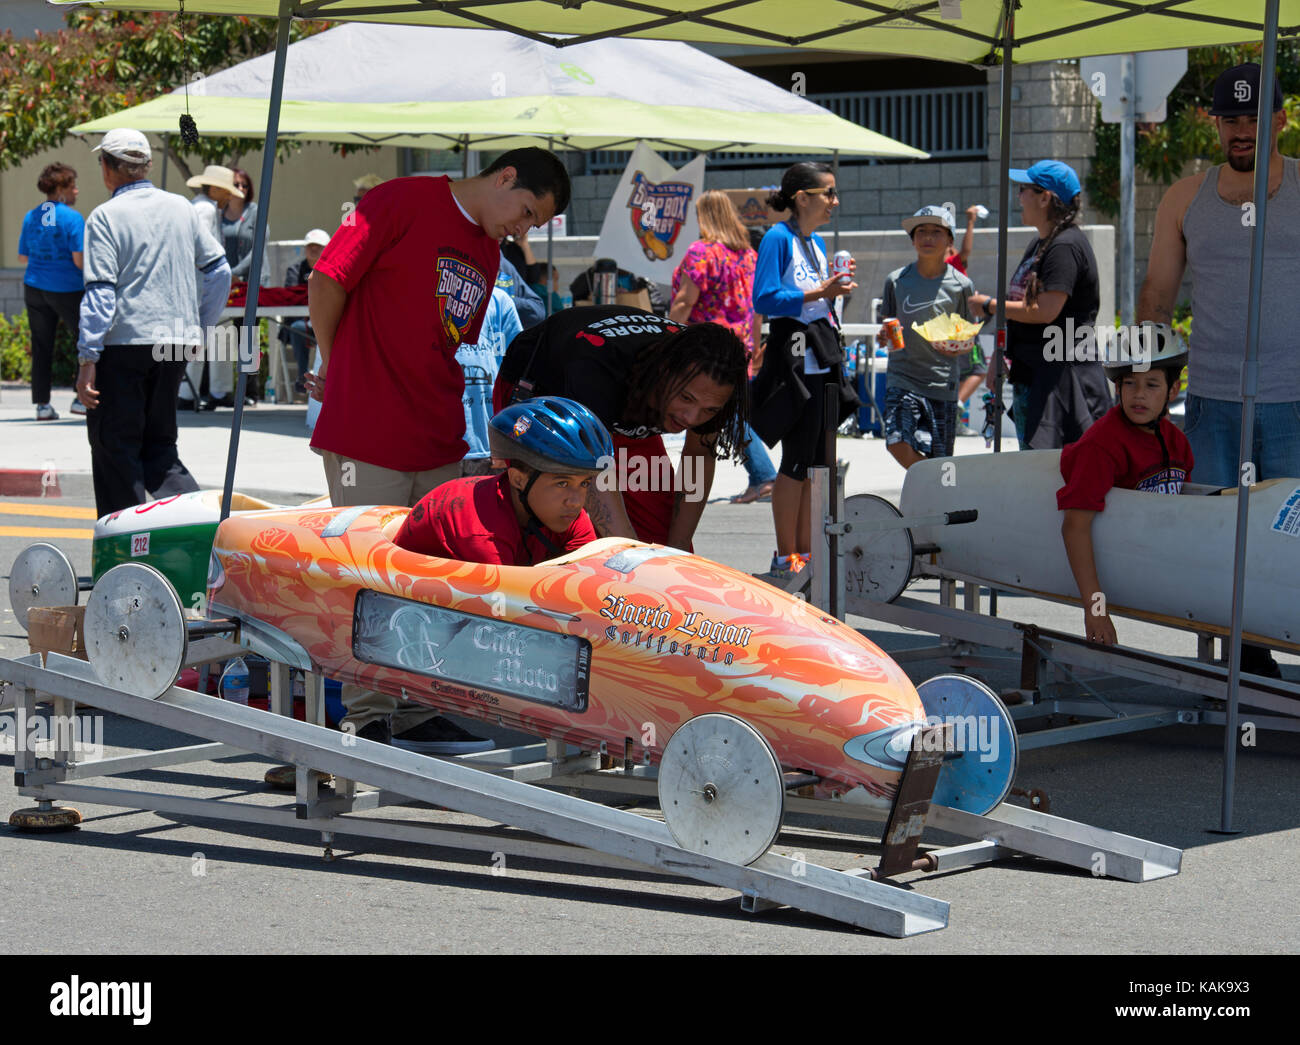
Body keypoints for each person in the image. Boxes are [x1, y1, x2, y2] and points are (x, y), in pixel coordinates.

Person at [306, 146, 570, 750]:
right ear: (504, 176)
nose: (522, 230)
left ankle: (417, 706)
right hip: (366, 431)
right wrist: (335, 359)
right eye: (526, 212)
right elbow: (327, 278)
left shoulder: (483, 245)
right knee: (369, 575)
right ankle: (369, 714)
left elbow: (445, 340)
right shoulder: (398, 199)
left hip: (440, 433)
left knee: (433, 581)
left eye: (534, 225)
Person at [1138, 61, 1300, 678]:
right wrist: (1148, 383)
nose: (1241, 130)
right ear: (1214, 125)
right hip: (1210, 398)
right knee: (1216, 532)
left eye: (1254, 118)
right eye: (1230, 118)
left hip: (1292, 399)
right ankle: (1248, 654)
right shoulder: (1186, 197)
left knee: (1289, 533)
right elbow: (1157, 294)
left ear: (1279, 120)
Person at [493, 305, 749, 550]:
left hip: (635, 406)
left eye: (709, 410)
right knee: (558, 518)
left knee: (658, 540)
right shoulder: (596, 373)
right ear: (663, 371)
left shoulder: (711, 374)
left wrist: (678, 548)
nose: (692, 418)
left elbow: (698, 455)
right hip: (546, 395)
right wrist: (631, 554)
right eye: (686, 398)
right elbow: (596, 471)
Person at [74, 128, 232, 517]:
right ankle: (194, 534)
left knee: (116, 448)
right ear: (143, 167)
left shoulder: (105, 217)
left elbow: (101, 293)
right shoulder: (182, 208)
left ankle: (123, 556)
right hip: (173, 341)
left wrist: (86, 358)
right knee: (160, 447)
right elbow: (220, 271)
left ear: (109, 168)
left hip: (123, 343)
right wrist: (199, 326)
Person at [750, 161, 859, 581]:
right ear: (802, 197)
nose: (835, 201)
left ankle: (807, 551)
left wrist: (833, 293)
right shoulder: (778, 238)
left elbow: (816, 302)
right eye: (828, 193)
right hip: (794, 360)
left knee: (818, 462)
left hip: (820, 359)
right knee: (795, 459)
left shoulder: (812, 243)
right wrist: (821, 290)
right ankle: (786, 555)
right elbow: (765, 298)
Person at [1058, 325, 1193, 646]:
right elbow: (1074, 527)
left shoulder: (1179, 443)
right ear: (1117, 388)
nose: (1139, 394)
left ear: (1173, 391)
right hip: (1117, 564)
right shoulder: (1102, 446)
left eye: (1151, 384)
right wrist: (1096, 610)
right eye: (1128, 383)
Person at [968, 160, 1109, 450]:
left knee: (1054, 477)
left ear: (1045, 197)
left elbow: (1045, 311)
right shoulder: (1041, 243)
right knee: (1036, 474)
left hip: (1064, 383)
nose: (1018, 196)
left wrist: (990, 305)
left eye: (1024, 189)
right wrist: (1001, 351)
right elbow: (1021, 306)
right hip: (1036, 378)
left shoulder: (1065, 247)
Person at [394, 397, 609, 570]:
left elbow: (588, 576)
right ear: (518, 479)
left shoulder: (567, 512)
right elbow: (509, 612)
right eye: (562, 483)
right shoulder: (483, 534)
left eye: (584, 484)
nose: (576, 501)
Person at [668, 189, 775, 503]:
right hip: (739, 345)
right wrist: (754, 348)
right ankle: (691, 488)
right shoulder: (749, 257)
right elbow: (756, 309)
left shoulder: (702, 252)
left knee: (711, 414)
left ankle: (762, 474)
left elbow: (686, 300)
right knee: (717, 414)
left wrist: (667, 336)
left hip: (703, 348)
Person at [877, 206, 975, 470]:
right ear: (912, 239)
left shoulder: (962, 285)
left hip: (942, 383)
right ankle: (926, 479)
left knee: (942, 464)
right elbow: (887, 326)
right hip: (902, 377)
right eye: (921, 232)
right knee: (896, 441)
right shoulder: (896, 281)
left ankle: (934, 493)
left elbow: (969, 334)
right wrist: (883, 337)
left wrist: (959, 346)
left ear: (950, 240)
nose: (928, 238)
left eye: (936, 232)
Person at [17, 162, 85, 421]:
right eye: (72, 186)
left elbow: (23, 257)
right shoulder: (72, 218)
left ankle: (42, 406)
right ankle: (81, 399)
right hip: (67, 288)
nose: (76, 191)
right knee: (85, 341)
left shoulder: (30, 216)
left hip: (34, 286)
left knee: (41, 346)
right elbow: (79, 261)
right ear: (59, 190)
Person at [180, 165, 245, 410]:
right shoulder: (205, 209)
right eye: (227, 191)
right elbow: (202, 251)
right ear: (215, 189)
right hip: (204, 285)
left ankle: (195, 392)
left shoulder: (198, 206)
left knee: (209, 336)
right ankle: (204, 392)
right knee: (211, 335)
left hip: (201, 284)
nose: (230, 196)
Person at [457, 286, 524, 475]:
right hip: (441, 445)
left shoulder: (499, 300)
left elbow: (517, 377)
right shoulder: (431, 296)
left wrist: (507, 442)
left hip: (490, 442)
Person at [279, 228, 329, 398]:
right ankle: (303, 376)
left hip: (328, 323)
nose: (313, 249)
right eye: (310, 246)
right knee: (297, 327)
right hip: (302, 324)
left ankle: (330, 378)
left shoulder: (332, 269)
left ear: (326, 248)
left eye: (318, 246)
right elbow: (292, 295)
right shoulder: (294, 270)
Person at [185, 165, 241, 249]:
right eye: (228, 193)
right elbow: (200, 246)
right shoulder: (206, 208)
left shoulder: (206, 206)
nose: (229, 198)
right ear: (214, 189)